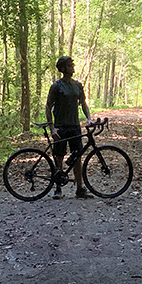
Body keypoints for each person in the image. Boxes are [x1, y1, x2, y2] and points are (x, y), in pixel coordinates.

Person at [45, 56, 92, 199]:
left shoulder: (78, 85)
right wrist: (52, 127)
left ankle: (80, 188)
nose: (73, 67)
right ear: (63, 68)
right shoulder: (56, 86)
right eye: (70, 65)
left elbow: (83, 103)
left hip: (74, 125)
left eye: (72, 65)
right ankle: (58, 188)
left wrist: (89, 119)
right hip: (60, 126)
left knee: (77, 156)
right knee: (59, 156)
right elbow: (48, 106)